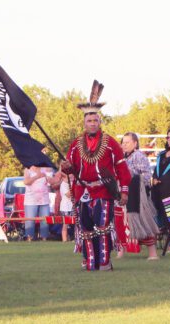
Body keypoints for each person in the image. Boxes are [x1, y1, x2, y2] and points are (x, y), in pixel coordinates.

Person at [60, 80, 131, 271]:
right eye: (89, 121)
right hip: (83, 190)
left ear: (100, 121)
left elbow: (122, 169)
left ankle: (104, 262)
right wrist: (65, 167)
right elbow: (70, 168)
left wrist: (124, 191)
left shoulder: (110, 143)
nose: (92, 123)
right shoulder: (76, 144)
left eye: (95, 120)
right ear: (84, 123)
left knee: (103, 227)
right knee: (86, 229)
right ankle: (90, 261)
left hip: (103, 190)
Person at [121, 132, 161, 260]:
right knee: (125, 223)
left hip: (139, 196)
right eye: (123, 142)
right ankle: (123, 251)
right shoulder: (124, 157)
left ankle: (153, 253)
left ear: (135, 143)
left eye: (127, 142)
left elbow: (146, 175)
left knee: (144, 222)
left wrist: (132, 178)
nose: (124, 145)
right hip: (128, 194)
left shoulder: (138, 156)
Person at [22, 165, 54, 241]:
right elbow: (26, 182)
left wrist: (47, 176)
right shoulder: (28, 169)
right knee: (30, 220)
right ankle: (29, 238)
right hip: (31, 200)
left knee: (45, 220)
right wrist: (37, 176)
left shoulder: (47, 168)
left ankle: (44, 238)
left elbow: (52, 182)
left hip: (44, 199)